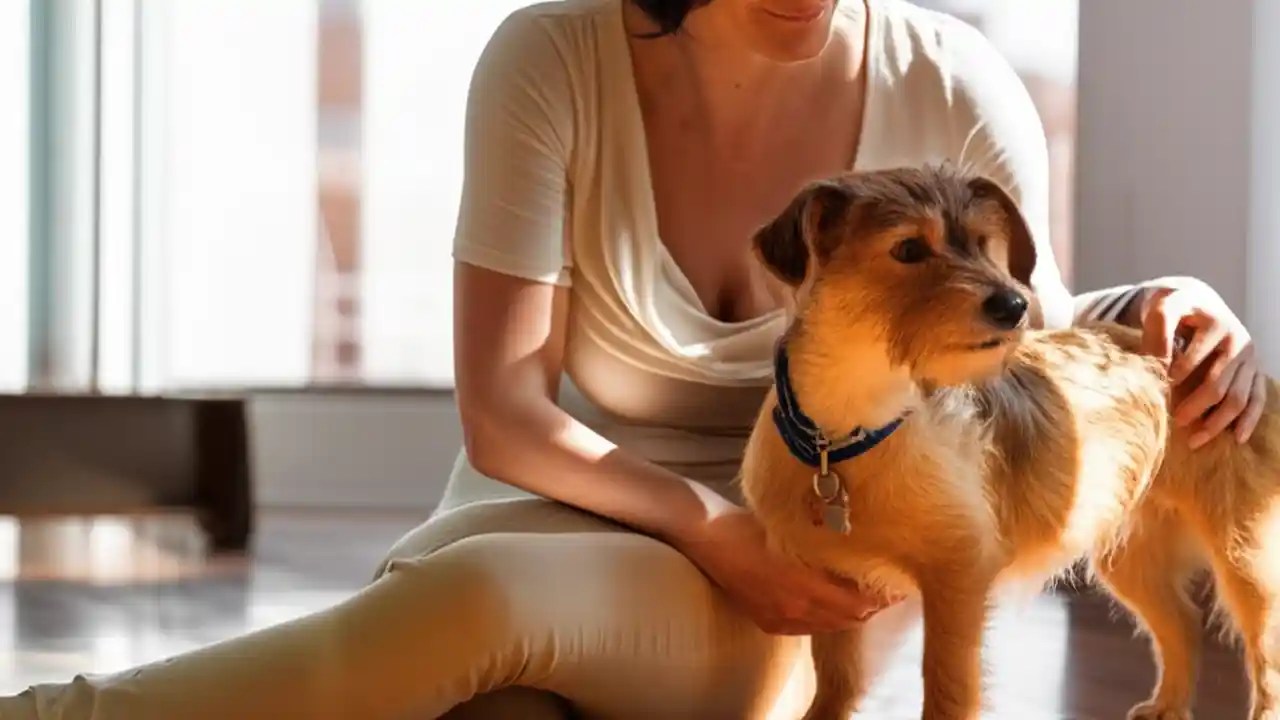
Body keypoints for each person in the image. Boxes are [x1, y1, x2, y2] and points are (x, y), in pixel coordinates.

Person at [3, 0, 1266, 718]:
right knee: (482, 664)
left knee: (480, 631)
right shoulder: (552, 59)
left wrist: (1166, 300)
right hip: (564, 505)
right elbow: (503, 411)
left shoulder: (949, 79)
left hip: (811, 551)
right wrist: (705, 523)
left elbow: (1015, 335)